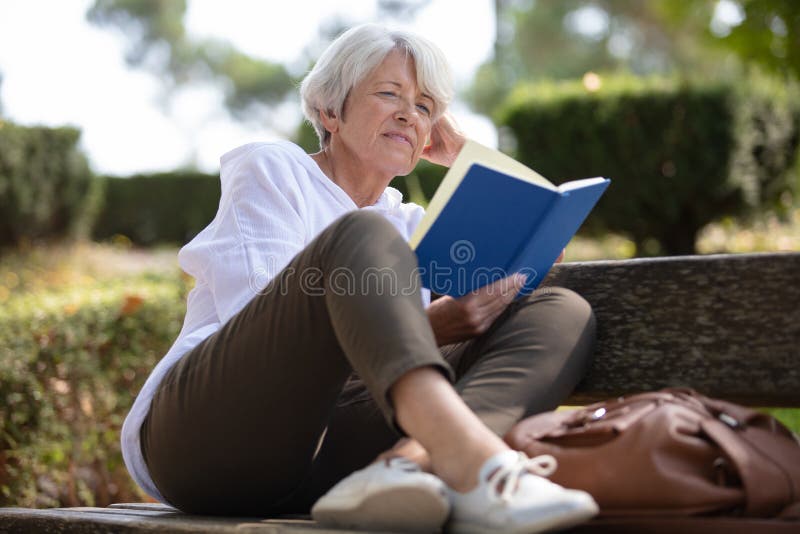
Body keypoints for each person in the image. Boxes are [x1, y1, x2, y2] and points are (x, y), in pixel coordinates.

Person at [120, 23, 599, 533]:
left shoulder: (411, 225)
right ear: (330, 110)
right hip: (211, 438)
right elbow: (265, 334)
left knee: (560, 311)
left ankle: (410, 463)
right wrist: (430, 326)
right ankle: (475, 464)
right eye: (389, 94)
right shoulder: (276, 170)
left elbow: (547, 238)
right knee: (363, 234)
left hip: (324, 462)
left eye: (424, 107)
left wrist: (461, 150)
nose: (408, 115)